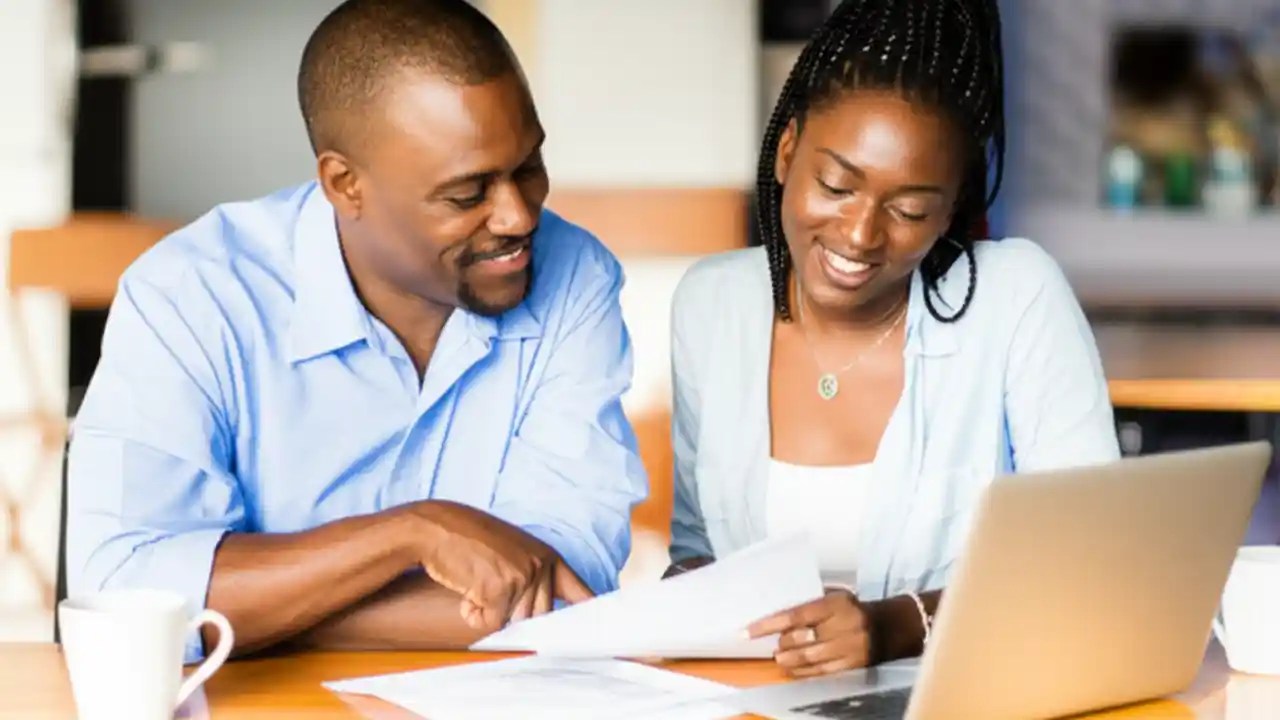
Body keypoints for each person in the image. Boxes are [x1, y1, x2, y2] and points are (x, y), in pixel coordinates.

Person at [66, 0, 647, 663]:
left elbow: (568, 594)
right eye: (467, 195)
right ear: (345, 186)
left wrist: (260, 615)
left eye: (529, 167)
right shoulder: (192, 296)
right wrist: (409, 534)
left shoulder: (576, 278)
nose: (517, 216)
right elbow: (120, 592)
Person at [666, 0, 1120, 678]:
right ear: (788, 150)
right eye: (837, 185)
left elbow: (1090, 563)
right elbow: (695, 543)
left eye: (909, 210)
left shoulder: (1014, 297)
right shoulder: (713, 303)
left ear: (951, 210)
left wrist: (893, 625)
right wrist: (688, 593)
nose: (859, 235)